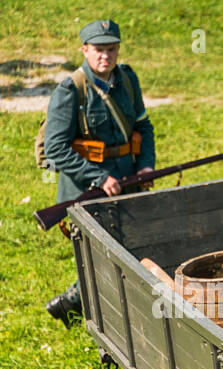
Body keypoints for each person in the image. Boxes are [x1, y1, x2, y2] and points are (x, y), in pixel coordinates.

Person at [43, 19, 156, 328]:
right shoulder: (71, 91)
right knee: (99, 255)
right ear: (85, 50)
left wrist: (146, 166)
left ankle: (108, 309)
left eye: (111, 50)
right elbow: (56, 149)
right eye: (98, 50)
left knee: (130, 248)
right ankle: (75, 304)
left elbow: (142, 126)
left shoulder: (128, 82)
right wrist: (98, 177)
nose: (105, 57)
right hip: (87, 189)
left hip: (127, 181)